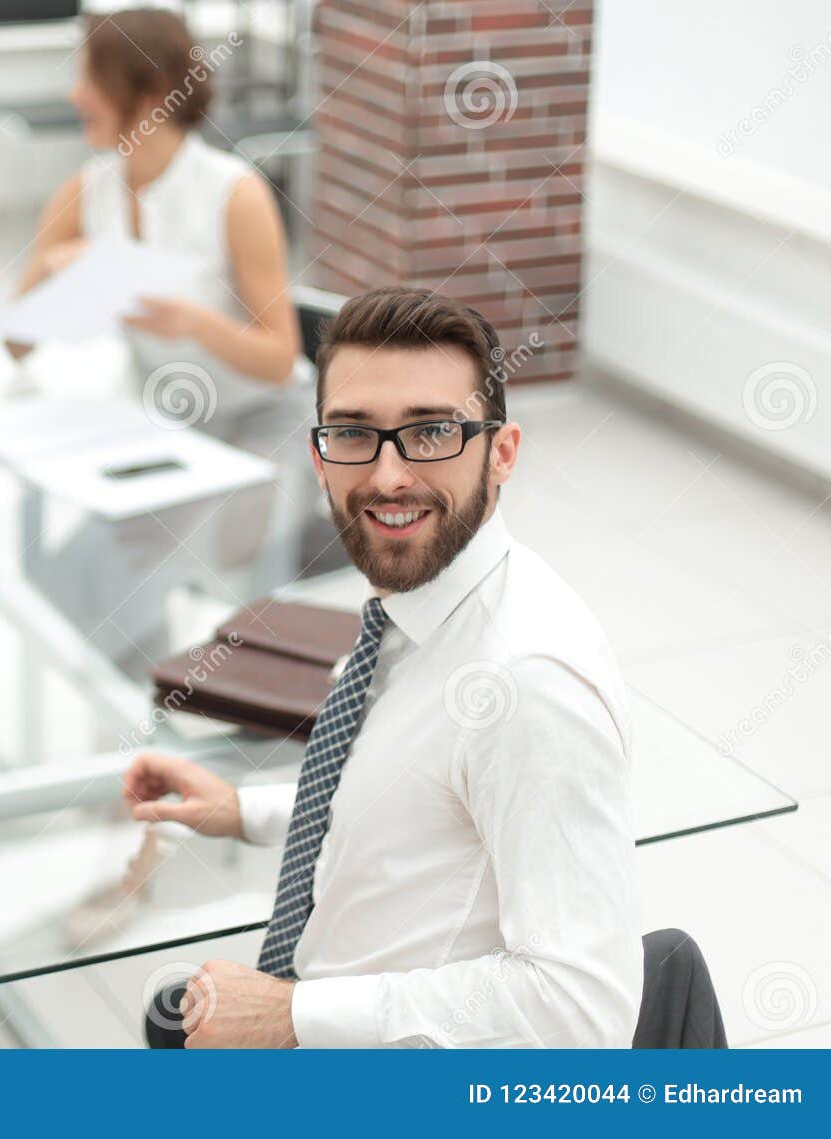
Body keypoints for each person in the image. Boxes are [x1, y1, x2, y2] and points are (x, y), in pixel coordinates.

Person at [123, 287, 643, 1048]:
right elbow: (409, 801)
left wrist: (293, 1017)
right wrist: (251, 809)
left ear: (502, 452)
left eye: (432, 432)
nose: (390, 475)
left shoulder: (526, 683)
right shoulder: (405, 613)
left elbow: (583, 1007)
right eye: (355, 434)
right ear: (318, 456)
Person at [22, 8, 304, 581]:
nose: (76, 97)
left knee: (239, 594)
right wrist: (54, 270)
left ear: (148, 95)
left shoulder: (234, 193)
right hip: (166, 419)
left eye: (90, 82)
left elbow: (280, 360)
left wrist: (194, 323)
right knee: (83, 581)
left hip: (259, 418)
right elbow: (12, 337)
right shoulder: (84, 192)